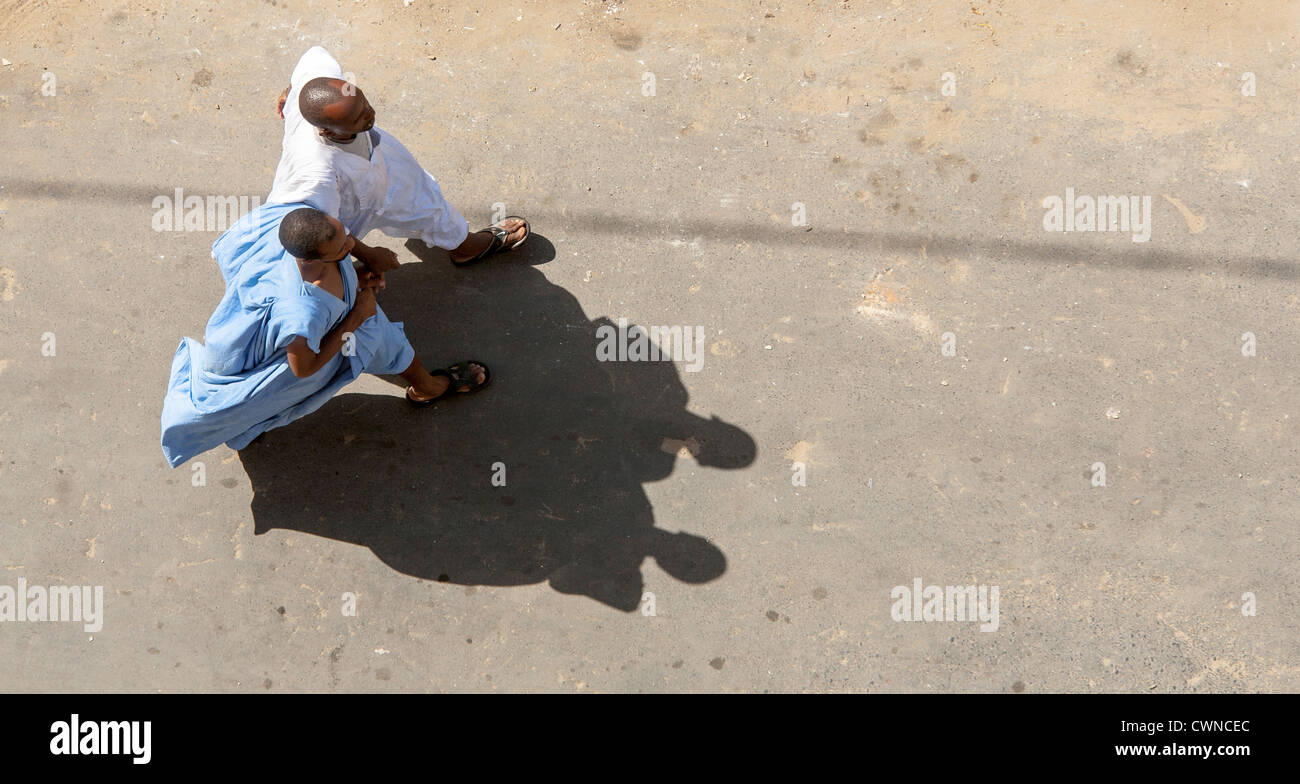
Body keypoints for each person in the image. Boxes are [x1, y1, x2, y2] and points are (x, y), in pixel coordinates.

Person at [160, 204, 489, 468]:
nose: (351, 242)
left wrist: (361, 268)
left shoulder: (294, 224)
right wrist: (357, 314)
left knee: (257, 409)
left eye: (346, 234)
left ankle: (247, 423)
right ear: (311, 259)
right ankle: (427, 387)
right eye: (343, 246)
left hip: (311, 314)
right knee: (386, 344)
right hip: (335, 334)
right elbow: (303, 367)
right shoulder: (304, 313)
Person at [269, 45, 529, 276]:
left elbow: (312, 57)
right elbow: (327, 229)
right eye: (358, 118)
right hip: (352, 203)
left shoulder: (318, 84)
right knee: (333, 258)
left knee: (427, 199)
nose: (370, 114)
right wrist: (369, 255)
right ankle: (465, 248)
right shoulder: (315, 174)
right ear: (327, 131)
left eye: (364, 103)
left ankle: (461, 244)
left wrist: (291, 90)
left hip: (382, 161)